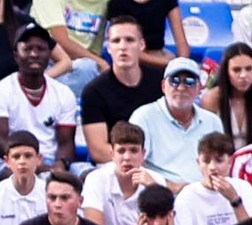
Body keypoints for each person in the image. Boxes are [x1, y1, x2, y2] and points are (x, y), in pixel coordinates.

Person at [0, 23, 77, 176]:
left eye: (40, 49)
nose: (34, 54)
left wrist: (59, 166)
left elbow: (66, 144)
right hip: (11, 163)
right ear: (15, 55)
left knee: (88, 175)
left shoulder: (64, 93)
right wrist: (33, 166)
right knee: (15, 176)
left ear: (49, 54)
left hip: (52, 163)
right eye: (27, 49)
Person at [129, 57, 225, 193]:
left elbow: (221, 164)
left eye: (189, 82)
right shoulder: (143, 116)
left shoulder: (212, 121)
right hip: (159, 194)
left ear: (199, 88)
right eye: (174, 81)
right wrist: (171, 187)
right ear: (163, 86)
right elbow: (133, 165)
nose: (181, 87)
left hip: (205, 194)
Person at [80, 17, 163, 165]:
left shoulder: (161, 82)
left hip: (159, 161)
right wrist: (136, 161)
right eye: (116, 41)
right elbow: (98, 150)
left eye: (130, 40)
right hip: (114, 165)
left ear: (142, 45)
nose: (122, 47)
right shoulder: (93, 92)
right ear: (108, 47)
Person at [81, 121, 162, 225]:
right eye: (121, 151)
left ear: (143, 154)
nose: (127, 157)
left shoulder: (156, 180)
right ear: (112, 154)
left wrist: (154, 190)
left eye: (134, 151)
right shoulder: (96, 179)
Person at [29, 0, 109, 98]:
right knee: (88, 68)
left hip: (83, 63)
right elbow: (61, 40)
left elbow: (94, 51)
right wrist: (102, 64)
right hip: (46, 61)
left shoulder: (105, 3)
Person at [105, 0, 188, 69]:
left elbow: (181, 42)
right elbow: (124, 46)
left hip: (159, 53)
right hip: (130, 57)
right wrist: (169, 63)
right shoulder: (117, 3)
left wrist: (182, 63)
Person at [201, 43, 252, 152]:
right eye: (236, 70)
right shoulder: (212, 99)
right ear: (226, 72)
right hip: (222, 161)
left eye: (249, 69)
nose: (244, 75)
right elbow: (208, 143)